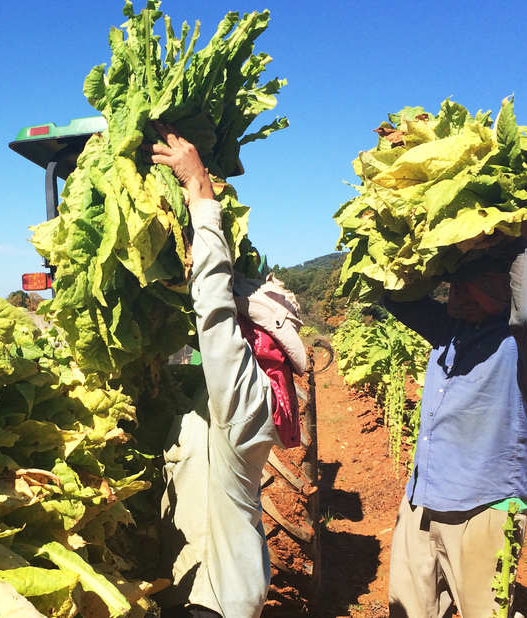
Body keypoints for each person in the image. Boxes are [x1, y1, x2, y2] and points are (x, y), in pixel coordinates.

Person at [144, 122, 308, 618]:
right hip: (202, 593)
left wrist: (200, 193)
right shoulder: (221, 397)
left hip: (213, 603)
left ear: (257, 338)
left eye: (242, 321)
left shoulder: (246, 399)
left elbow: (213, 312)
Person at [382, 200, 527, 618]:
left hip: (485, 507)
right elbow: (395, 297)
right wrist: (438, 252)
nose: (457, 299)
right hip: (422, 501)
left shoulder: (523, 342)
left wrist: (516, 242)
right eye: (454, 288)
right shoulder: (447, 328)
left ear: (503, 287)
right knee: (408, 609)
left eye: (473, 287)